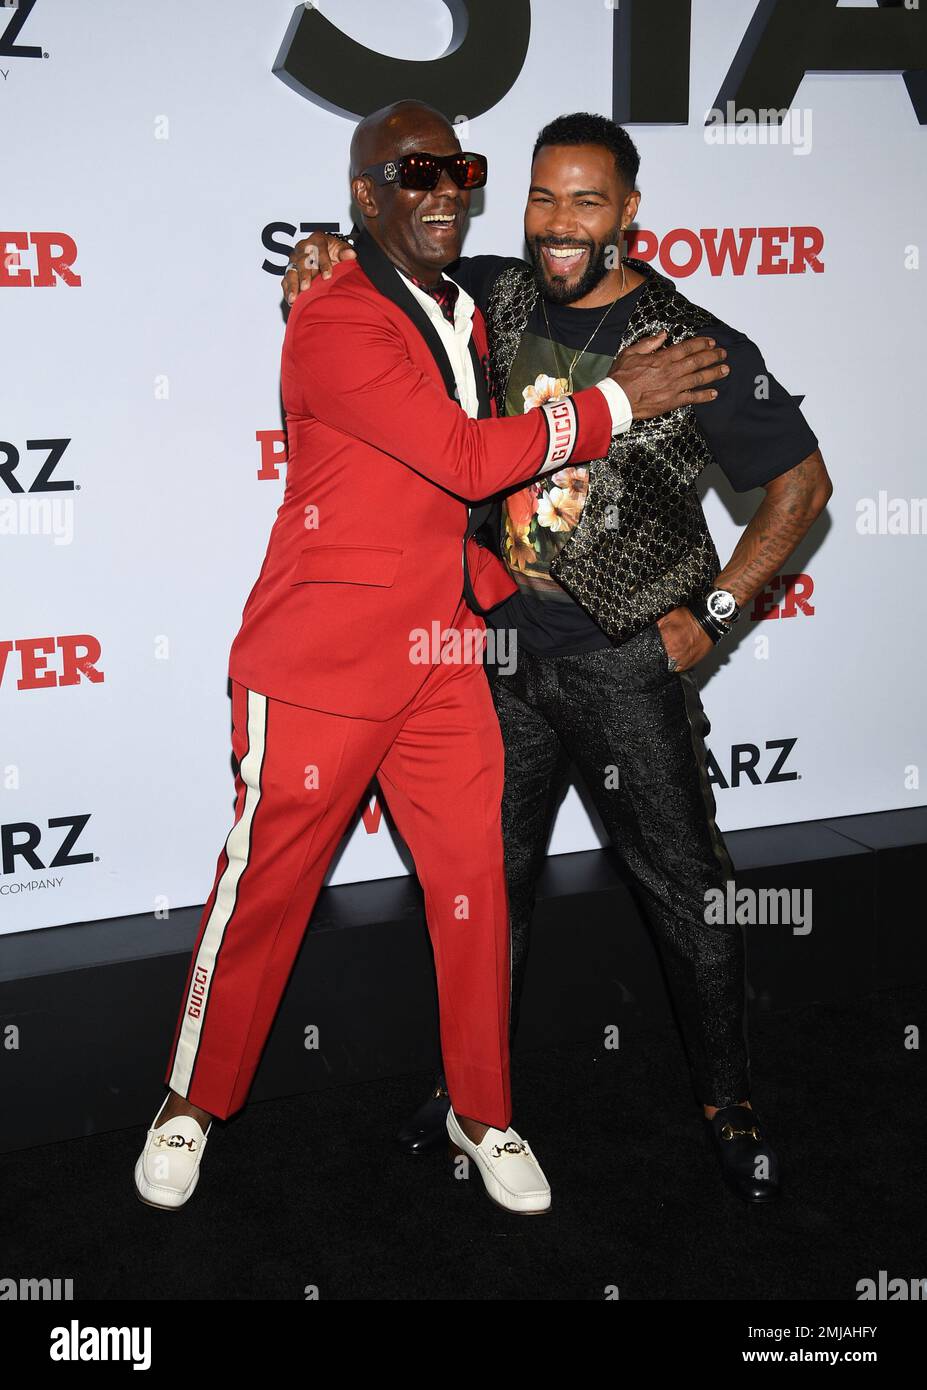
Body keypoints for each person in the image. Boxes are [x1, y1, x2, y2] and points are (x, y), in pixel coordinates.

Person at [134, 102, 728, 1218]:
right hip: (317, 664)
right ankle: (189, 1101)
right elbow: (464, 459)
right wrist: (616, 402)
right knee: (265, 891)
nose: (445, 188)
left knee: (476, 893)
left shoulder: (468, 303)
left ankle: (484, 1108)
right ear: (367, 196)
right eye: (414, 173)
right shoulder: (332, 319)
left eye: (462, 169)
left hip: (443, 657)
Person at [286, 111, 833, 1204]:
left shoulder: (695, 344)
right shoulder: (495, 292)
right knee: (489, 890)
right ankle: (471, 1100)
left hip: (625, 660)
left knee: (692, 895)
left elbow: (804, 489)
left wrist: (716, 612)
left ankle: (728, 1101)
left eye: (587, 200)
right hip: (496, 652)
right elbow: (389, 259)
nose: (560, 222)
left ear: (629, 210)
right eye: (543, 197)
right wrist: (327, 253)